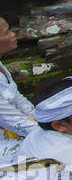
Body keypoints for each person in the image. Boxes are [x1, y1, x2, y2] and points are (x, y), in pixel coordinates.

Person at [0, 17, 39, 162]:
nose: (13, 34)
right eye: (6, 33)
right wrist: (49, 131)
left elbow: (17, 98)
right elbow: (12, 120)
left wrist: (40, 118)